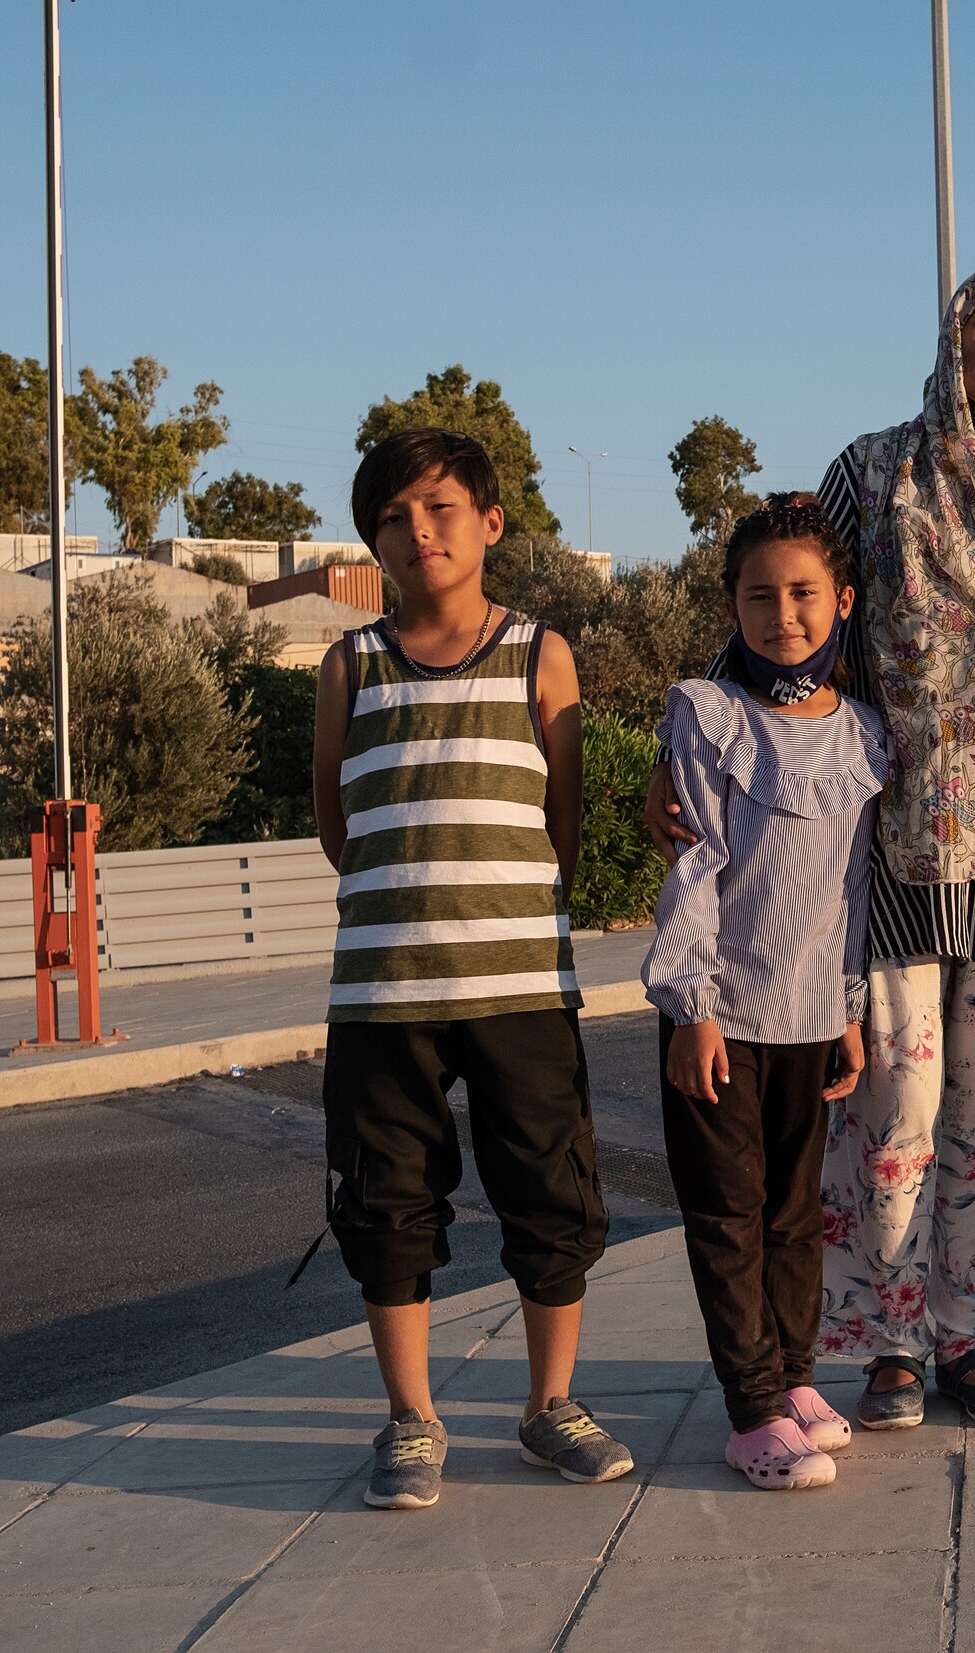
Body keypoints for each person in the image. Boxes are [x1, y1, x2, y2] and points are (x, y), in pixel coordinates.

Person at [649, 262, 975, 1431]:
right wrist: (694, 747)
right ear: (954, 331)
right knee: (893, 1113)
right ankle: (884, 1343)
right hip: (895, 851)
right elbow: (784, 621)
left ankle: (969, 1339)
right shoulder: (873, 468)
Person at [312, 427, 632, 1512]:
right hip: (378, 1000)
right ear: (374, 542)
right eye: (393, 517)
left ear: (489, 522)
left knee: (548, 1191)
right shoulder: (346, 665)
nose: (418, 532)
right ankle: (411, 1420)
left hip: (522, 991)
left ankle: (550, 1407)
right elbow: (335, 820)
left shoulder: (540, 654)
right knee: (385, 1202)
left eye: (440, 508)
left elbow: (563, 817)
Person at [645, 495, 890, 1490]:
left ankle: (795, 1379)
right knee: (727, 1218)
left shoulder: (866, 732)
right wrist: (689, 1009)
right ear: (731, 605)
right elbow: (691, 869)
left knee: (795, 1219)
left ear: (840, 601)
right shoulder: (707, 716)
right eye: (758, 596)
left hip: (808, 1019)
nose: (780, 614)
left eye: (801, 594)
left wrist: (847, 1011)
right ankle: (749, 1413)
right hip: (720, 1022)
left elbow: (851, 887)